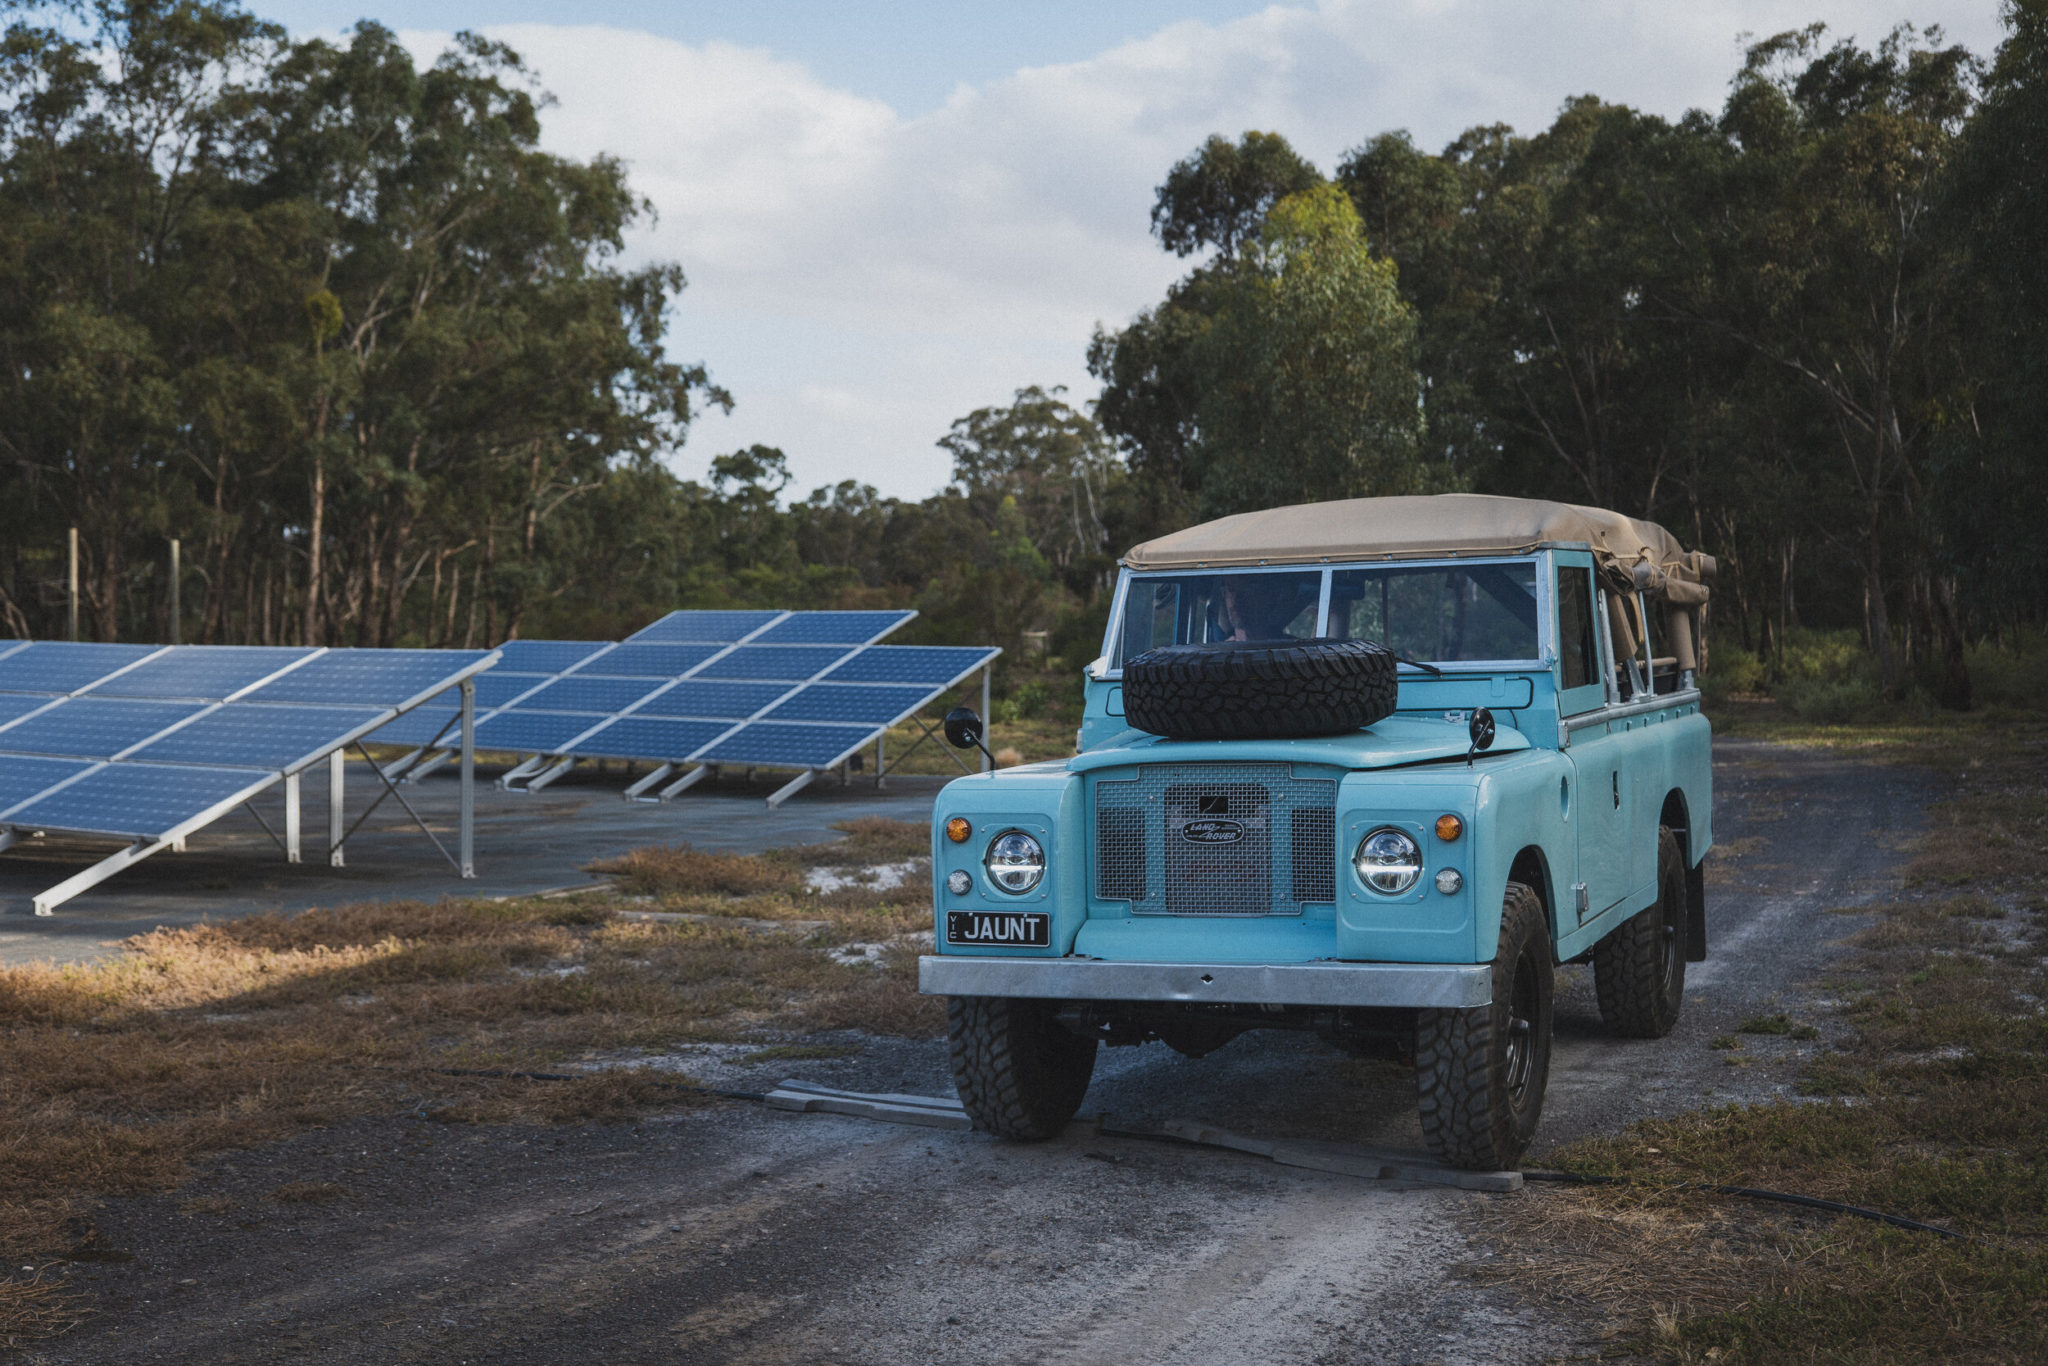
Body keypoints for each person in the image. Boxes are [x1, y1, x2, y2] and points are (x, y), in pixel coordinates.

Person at [1219, 575, 1302, 641]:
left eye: (1245, 590)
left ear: (1268, 597)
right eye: (1231, 590)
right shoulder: (1215, 655)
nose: (1235, 598)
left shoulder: (1293, 650)